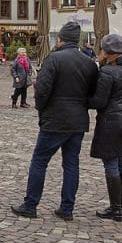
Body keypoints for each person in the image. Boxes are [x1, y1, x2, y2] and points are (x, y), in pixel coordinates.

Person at [11, 22, 98, 221]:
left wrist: (41, 108)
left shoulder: (54, 59)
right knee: (71, 164)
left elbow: (43, 90)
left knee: (40, 161)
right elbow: (94, 94)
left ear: (60, 39)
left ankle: (31, 204)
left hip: (55, 119)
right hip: (77, 121)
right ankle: (67, 208)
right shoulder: (89, 63)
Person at [90, 34, 122, 222]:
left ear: (108, 52)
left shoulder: (108, 72)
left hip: (113, 121)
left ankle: (116, 209)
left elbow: (99, 101)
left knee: (111, 163)